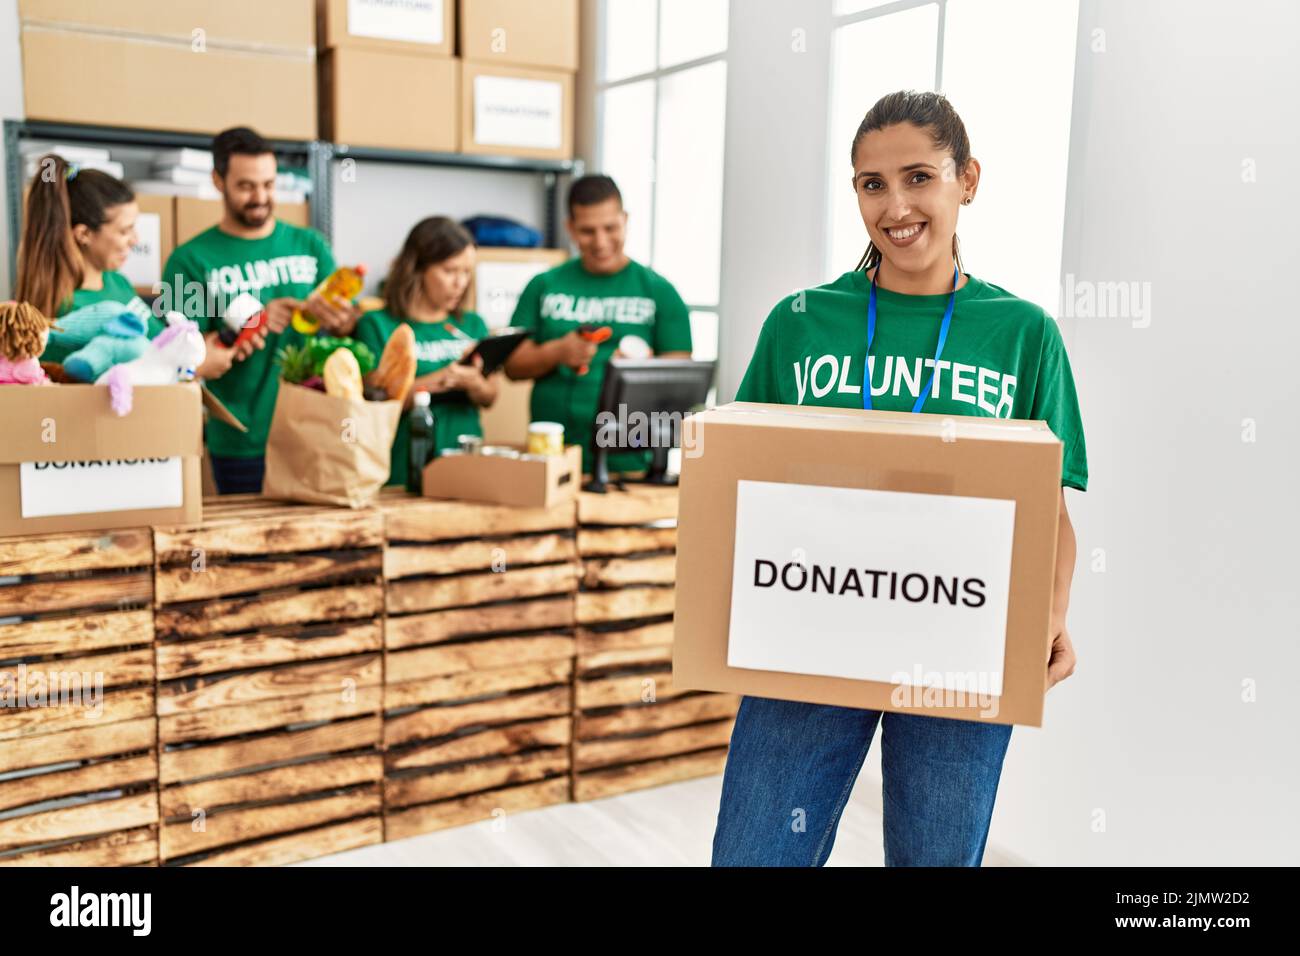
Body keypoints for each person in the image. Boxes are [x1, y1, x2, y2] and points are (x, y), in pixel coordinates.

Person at [711, 91, 1088, 867]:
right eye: (871, 184)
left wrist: (1047, 619)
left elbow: (1046, 507)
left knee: (935, 860)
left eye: (920, 176)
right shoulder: (801, 319)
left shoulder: (1023, 333)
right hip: (809, 632)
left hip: (960, 641)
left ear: (968, 179)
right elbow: (740, 478)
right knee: (754, 855)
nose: (896, 205)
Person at [161, 126, 360, 494]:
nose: (261, 197)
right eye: (246, 186)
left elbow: (348, 330)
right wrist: (254, 322)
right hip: (242, 440)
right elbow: (176, 358)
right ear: (218, 181)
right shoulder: (188, 261)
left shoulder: (311, 245)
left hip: (317, 429)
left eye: (269, 185)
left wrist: (338, 318)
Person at [504, 174, 693, 474]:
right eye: (588, 231)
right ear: (570, 228)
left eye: (610, 228)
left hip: (629, 460)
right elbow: (511, 366)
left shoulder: (660, 291)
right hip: (552, 456)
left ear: (625, 219)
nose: (601, 242)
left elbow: (681, 381)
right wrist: (556, 352)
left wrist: (642, 371)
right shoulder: (543, 285)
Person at [354, 217, 497, 486]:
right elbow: (378, 405)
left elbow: (491, 396)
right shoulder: (377, 325)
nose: (460, 283)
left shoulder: (472, 324)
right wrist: (444, 379)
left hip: (466, 469)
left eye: (467, 272)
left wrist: (475, 383)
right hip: (402, 471)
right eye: (450, 271)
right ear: (417, 268)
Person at [16, 155, 162, 364]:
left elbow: (160, 342)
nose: (135, 240)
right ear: (84, 234)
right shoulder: (73, 314)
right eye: (124, 230)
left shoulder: (116, 281)